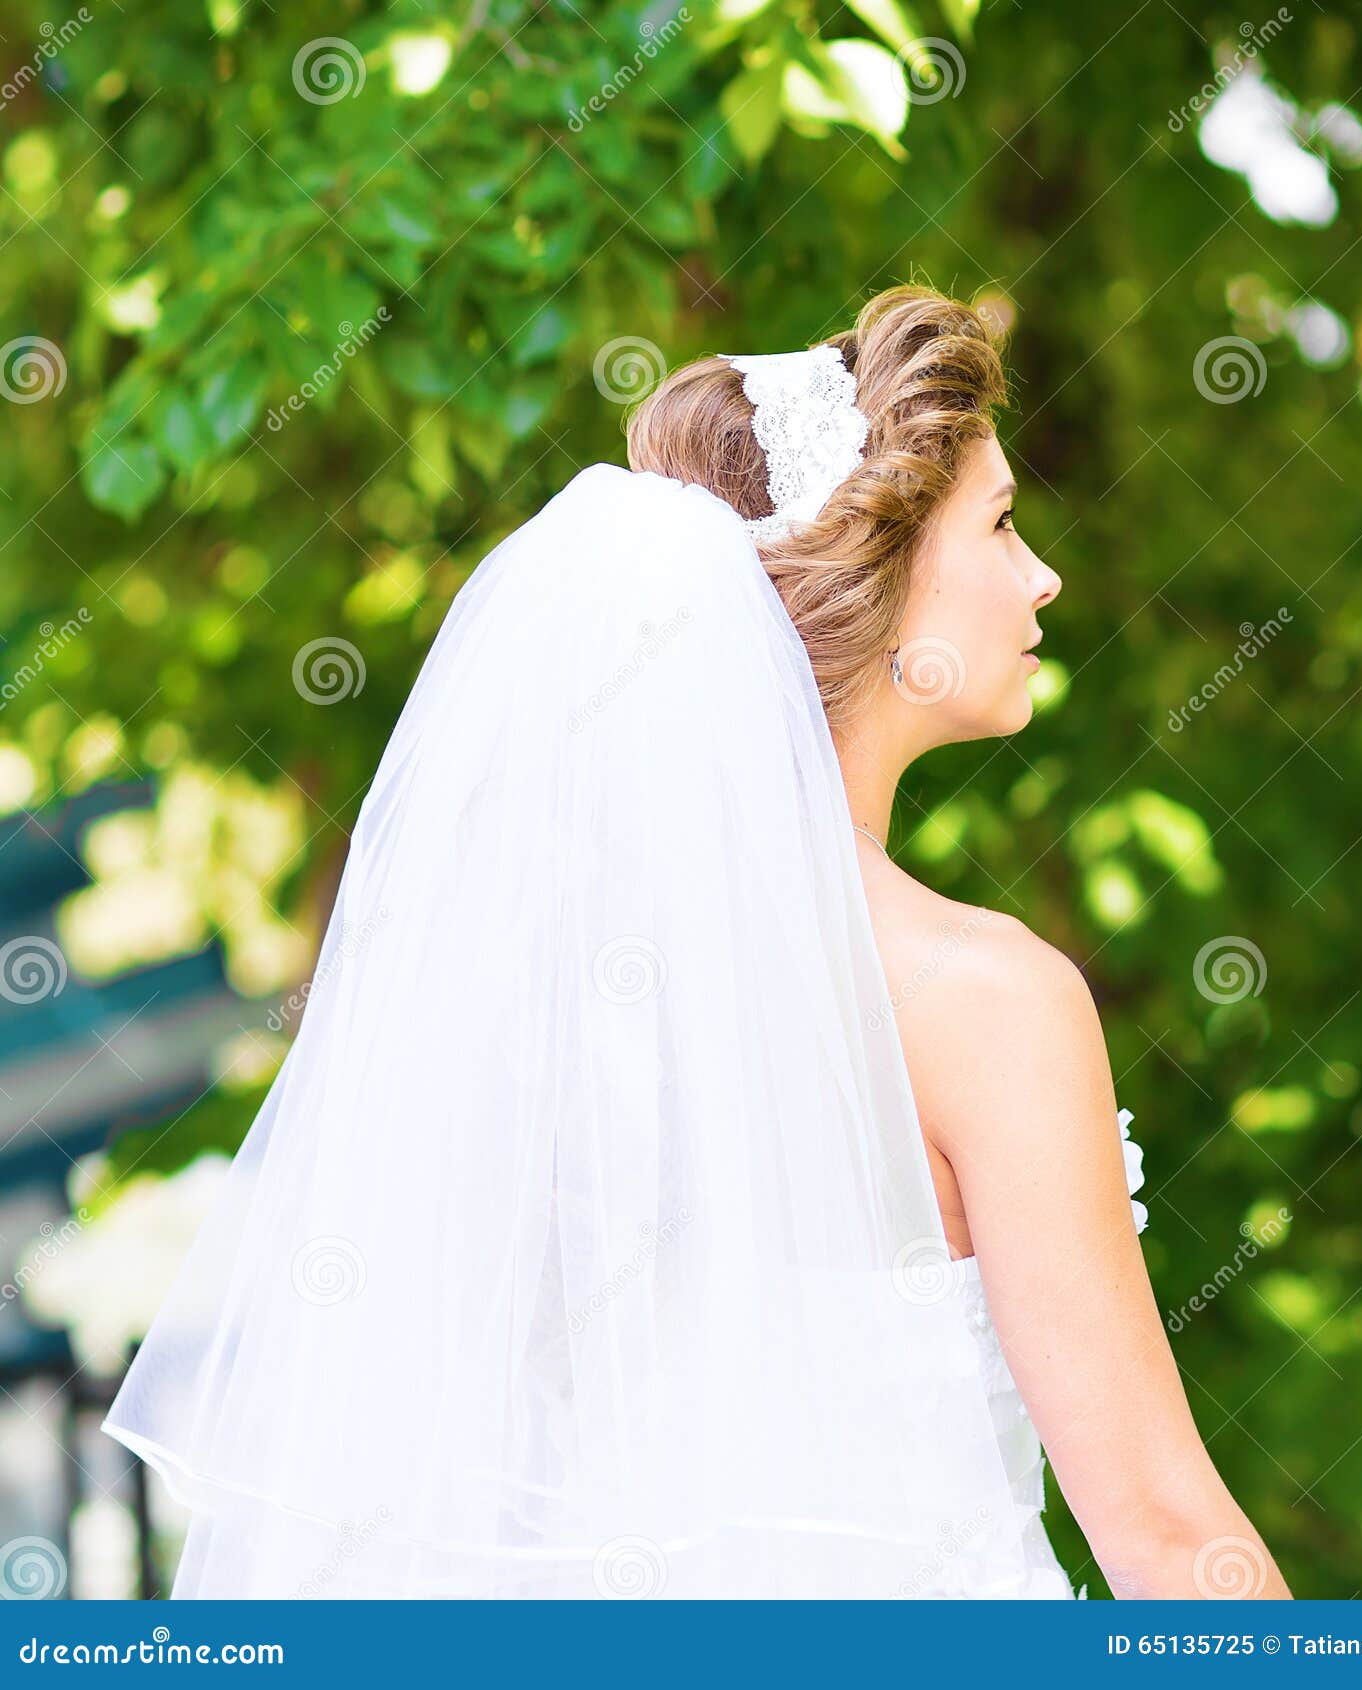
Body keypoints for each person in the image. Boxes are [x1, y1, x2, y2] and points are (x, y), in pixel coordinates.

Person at [104, 283, 1289, 1600]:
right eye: (1002, 527)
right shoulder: (990, 1001)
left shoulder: (519, 1007)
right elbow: (1171, 1539)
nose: (1042, 574)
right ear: (876, 576)